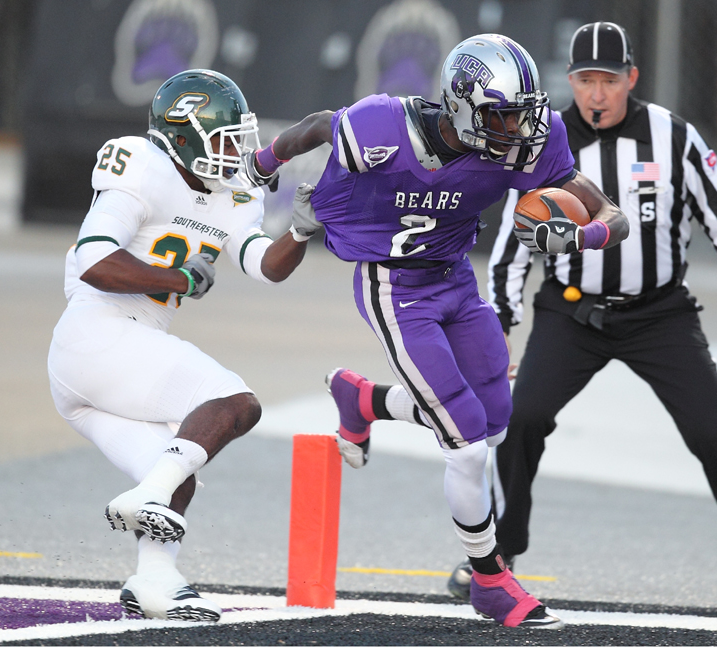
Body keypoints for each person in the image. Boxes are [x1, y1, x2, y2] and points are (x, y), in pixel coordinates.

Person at [245, 34, 629, 628]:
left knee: (495, 421)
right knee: (468, 444)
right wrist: (267, 160)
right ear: (460, 103)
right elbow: (320, 125)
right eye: (503, 115)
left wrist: (583, 236)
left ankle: (365, 399)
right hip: (394, 288)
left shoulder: (527, 142)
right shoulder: (379, 127)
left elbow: (612, 214)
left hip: (455, 281)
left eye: (524, 115)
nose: (518, 130)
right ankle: (489, 580)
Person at [444, 22, 717, 613]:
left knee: (716, 436)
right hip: (569, 314)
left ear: (631, 78)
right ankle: (499, 556)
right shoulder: (540, 141)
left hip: (660, 314)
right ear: (571, 82)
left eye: (608, 80)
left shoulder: (674, 138)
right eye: (585, 80)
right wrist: (498, 328)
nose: (596, 94)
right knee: (518, 420)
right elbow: (512, 245)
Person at [47, 69, 307, 622]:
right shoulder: (143, 163)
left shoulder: (233, 197)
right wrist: (178, 280)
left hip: (104, 362)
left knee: (176, 466)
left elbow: (265, 266)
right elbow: (94, 260)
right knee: (235, 403)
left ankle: (154, 581)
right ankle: (146, 505)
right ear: (184, 133)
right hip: (97, 332)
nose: (237, 150)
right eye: (225, 138)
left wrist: (304, 231)